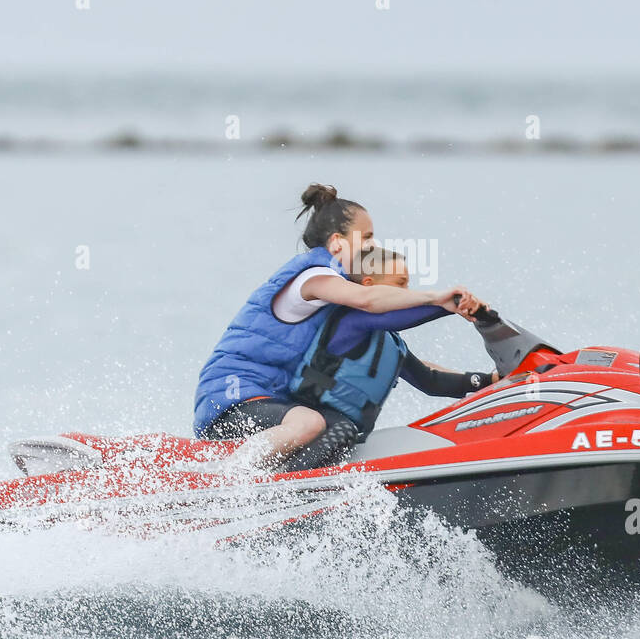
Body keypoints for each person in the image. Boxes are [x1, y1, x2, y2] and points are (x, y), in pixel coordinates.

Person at [194, 183, 484, 469]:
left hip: (273, 405)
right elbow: (367, 300)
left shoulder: (342, 306)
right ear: (336, 243)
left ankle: (295, 493)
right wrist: (438, 299)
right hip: (231, 398)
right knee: (310, 422)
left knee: (338, 429)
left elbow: (424, 372)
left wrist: (492, 380)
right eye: (367, 237)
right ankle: (226, 482)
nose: (374, 246)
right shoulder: (315, 277)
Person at [287, 247, 497, 458]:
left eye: (407, 284)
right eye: (399, 283)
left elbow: (430, 381)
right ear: (369, 286)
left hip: (345, 438)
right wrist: (447, 305)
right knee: (344, 430)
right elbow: (391, 317)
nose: (407, 292)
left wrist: (491, 380)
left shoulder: (391, 345)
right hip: (309, 422)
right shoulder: (349, 321)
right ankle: (285, 487)